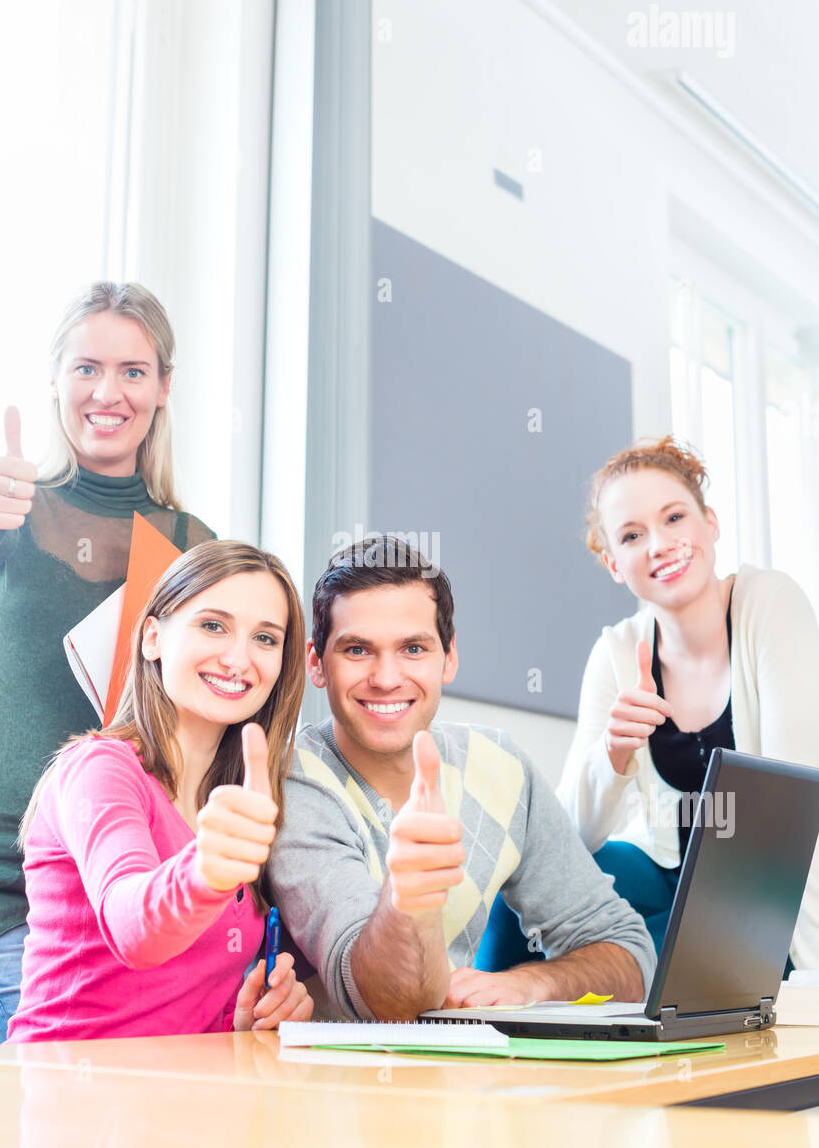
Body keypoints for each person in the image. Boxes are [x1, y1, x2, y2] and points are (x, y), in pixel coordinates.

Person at [0, 282, 216, 1040]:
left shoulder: (193, 544)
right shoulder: (6, 498)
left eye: (134, 371)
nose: (109, 392)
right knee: (52, 1124)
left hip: (140, 886)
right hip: (11, 890)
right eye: (86, 368)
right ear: (56, 380)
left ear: (164, 387)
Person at [264, 536, 655, 1022]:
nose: (387, 678)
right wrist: (408, 897)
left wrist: (530, 982)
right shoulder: (294, 783)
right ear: (316, 663)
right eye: (358, 649)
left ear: (449, 658)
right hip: (332, 1084)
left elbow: (631, 953)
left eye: (412, 648)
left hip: (458, 1078)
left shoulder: (500, 766)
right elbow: (385, 1005)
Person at [8, 539, 312, 1042]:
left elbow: (176, 999)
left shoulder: (241, 794)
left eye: (265, 638)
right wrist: (205, 870)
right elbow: (135, 932)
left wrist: (243, 1017)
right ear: (153, 637)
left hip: (179, 1097)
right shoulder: (98, 769)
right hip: (70, 1097)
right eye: (213, 625)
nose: (238, 659)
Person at [546, 435, 819, 963]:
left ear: (710, 522)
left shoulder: (770, 603)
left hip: (764, 897)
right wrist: (613, 752)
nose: (659, 545)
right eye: (631, 535)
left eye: (674, 518)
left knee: (638, 965)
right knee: (537, 888)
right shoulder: (616, 653)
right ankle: (473, 1022)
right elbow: (572, 836)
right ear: (614, 564)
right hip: (667, 885)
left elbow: (796, 805)